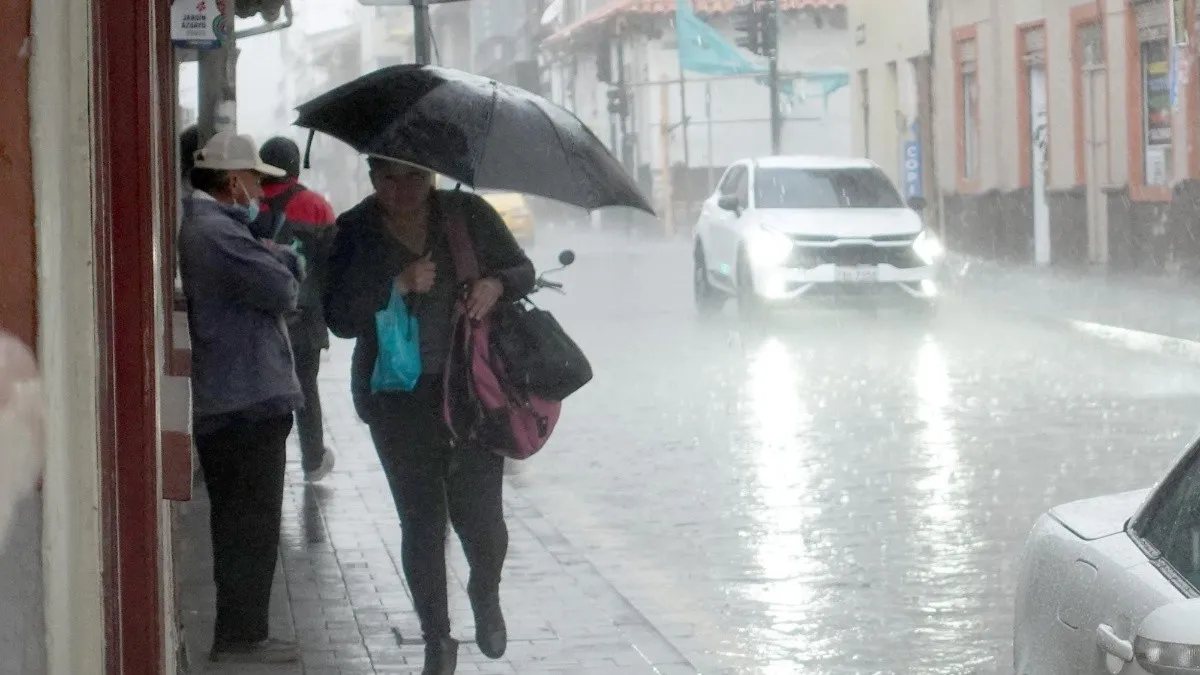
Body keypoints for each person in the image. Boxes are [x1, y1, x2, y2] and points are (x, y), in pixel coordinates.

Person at [324, 157, 534, 675]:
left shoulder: (466, 214)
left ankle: (484, 591)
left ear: (431, 176)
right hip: (396, 399)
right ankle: (437, 640)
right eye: (389, 177)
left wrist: (496, 285)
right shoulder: (354, 229)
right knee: (421, 520)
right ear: (373, 177)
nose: (402, 188)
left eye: (414, 176)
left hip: (471, 393)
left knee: (482, 521)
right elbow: (339, 318)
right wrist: (395, 285)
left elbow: (522, 270)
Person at [179, 131, 304, 664]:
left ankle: (242, 630)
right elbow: (283, 290)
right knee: (249, 524)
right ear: (233, 182)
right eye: (254, 179)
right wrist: (284, 263)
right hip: (244, 400)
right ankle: (243, 634)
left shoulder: (217, 230)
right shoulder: (216, 233)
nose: (260, 189)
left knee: (242, 523)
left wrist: (273, 258)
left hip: (238, 396)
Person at [254, 136, 339, 482]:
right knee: (306, 387)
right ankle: (314, 459)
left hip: (262, 318)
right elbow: (334, 263)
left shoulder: (251, 205)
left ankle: (267, 461)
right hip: (306, 318)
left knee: (265, 392)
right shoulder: (317, 206)